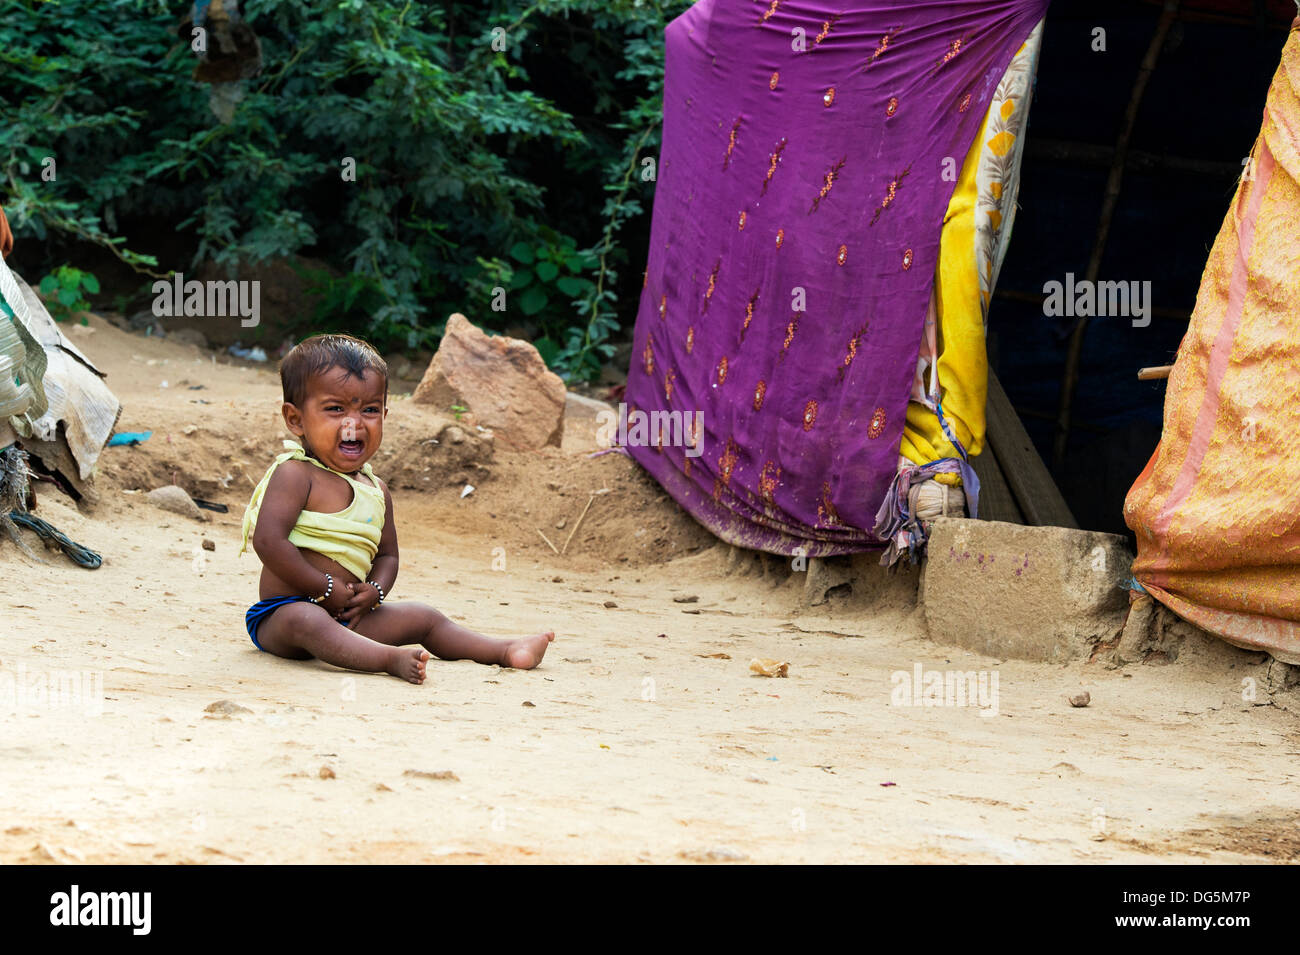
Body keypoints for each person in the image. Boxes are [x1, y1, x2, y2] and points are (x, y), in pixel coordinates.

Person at [239, 333, 554, 683]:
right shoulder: (296, 474)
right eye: (335, 409)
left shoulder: (377, 490)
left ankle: (504, 650)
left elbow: (387, 557)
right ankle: (387, 659)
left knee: (424, 617)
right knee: (307, 620)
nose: (353, 424)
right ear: (296, 420)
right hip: (282, 616)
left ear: (384, 414)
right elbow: (269, 542)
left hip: (348, 616)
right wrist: (323, 588)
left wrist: (374, 592)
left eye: (370, 410)